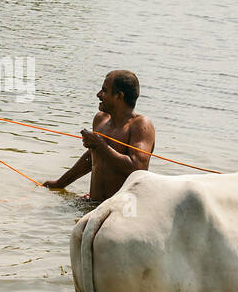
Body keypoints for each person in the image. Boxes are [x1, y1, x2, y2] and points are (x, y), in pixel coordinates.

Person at [43, 70, 155, 202]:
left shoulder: (141, 125)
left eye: (104, 90)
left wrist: (100, 146)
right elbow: (91, 159)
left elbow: (137, 168)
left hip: (121, 210)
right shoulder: (101, 119)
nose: (98, 94)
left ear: (119, 96)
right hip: (93, 203)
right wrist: (59, 184)